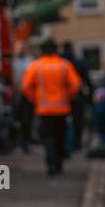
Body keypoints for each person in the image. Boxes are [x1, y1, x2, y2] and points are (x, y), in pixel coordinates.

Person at [21, 37, 82, 174]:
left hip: (44, 110)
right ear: (56, 50)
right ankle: (59, 163)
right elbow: (76, 84)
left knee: (48, 138)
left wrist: (34, 99)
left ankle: (51, 164)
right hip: (62, 109)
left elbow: (25, 86)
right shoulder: (64, 65)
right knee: (60, 137)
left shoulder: (36, 66)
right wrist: (68, 96)